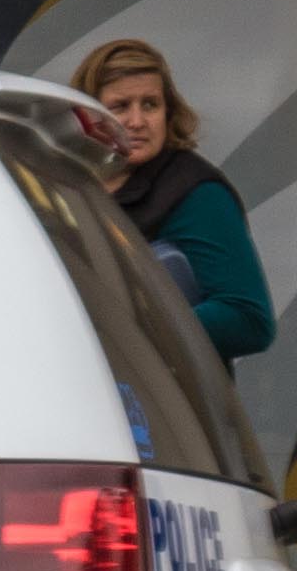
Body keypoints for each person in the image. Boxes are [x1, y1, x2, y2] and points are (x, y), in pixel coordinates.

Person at [72, 36, 274, 361]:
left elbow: (249, 320)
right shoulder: (67, 183)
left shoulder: (196, 193)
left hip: (167, 400)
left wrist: (137, 327)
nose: (137, 121)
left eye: (150, 104)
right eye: (120, 107)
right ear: (89, 116)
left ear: (169, 112)